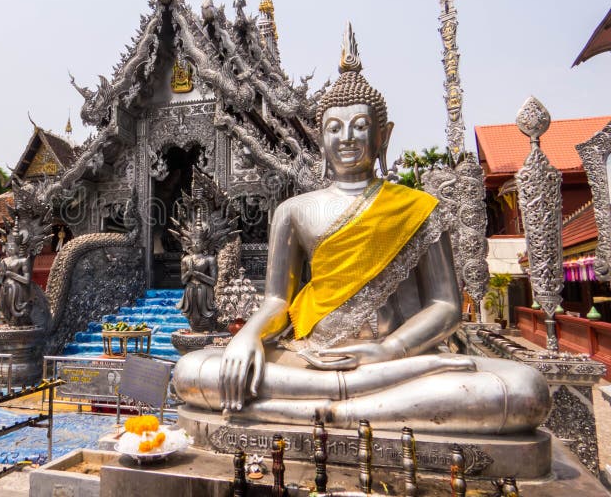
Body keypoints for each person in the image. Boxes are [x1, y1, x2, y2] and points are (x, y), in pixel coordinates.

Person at [173, 30, 550, 434]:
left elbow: (446, 306)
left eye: (358, 126)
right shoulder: (293, 211)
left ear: (382, 136)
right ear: (320, 139)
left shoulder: (417, 208)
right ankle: (354, 409)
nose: (347, 138)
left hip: (396, 359)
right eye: (334, 128)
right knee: (195, 372)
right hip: (310, 357)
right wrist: (247, 335)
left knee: (522, 391)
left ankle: (317, 412)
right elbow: (277, 299)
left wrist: (390, 349)